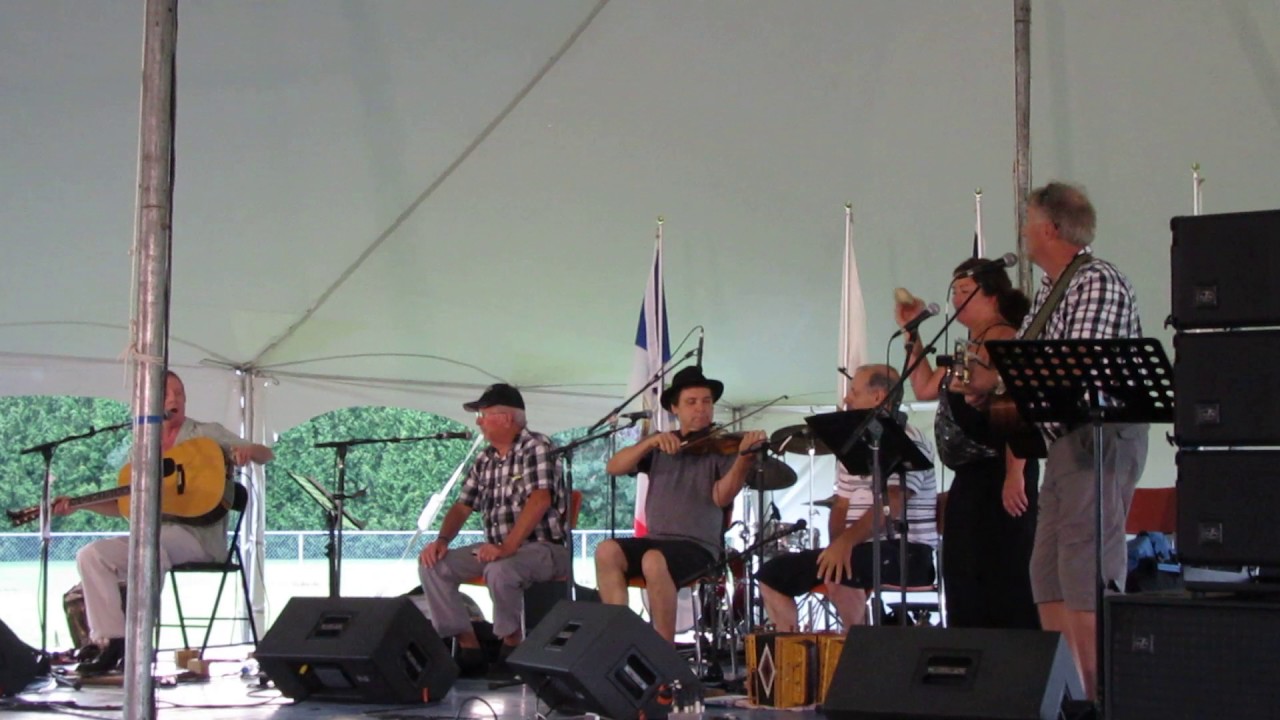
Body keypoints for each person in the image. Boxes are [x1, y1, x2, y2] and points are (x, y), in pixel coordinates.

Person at [1015, 181, 1147, 700]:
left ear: (1050, 227)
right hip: (1062, 441)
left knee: (1084, 560)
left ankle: (1099, 696)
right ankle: (1067, 693)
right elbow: (1029, 359)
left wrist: (1013, 378)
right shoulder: (1053, 287)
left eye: (1028, 220)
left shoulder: (1096, 281)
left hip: (1098, 434)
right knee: (1046, 569)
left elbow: (1070, 366)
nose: (1024, 231)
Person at [54, 370, 274, 675]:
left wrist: (249, 451)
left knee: (148, 549)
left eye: (179, 393)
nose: (174, 399)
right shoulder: (143, 448)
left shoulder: (205, 434)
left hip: (198, 539)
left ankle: (141, 645)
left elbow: (267, 453)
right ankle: (113, 641)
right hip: (156, 538)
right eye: (166, 393)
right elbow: (125, 505)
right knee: (91, 555)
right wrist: (80, 505)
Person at [898, 259, 1041, 630]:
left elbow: (1019, 409)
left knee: (1001, 572)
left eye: (965, 291)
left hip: (1001, 468)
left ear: (992, 295)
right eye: (955, 292)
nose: (957, 300)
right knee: (963, 571)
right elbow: (926, 387)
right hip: (969, 474)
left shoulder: (1005, 339)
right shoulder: (970, 344)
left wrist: (1016, 473)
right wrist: (912, 335)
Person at [756, 364, 937, 631]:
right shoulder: (851, 444)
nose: (846, 399)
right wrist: (837, 545)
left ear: (878, 397)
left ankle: (860, 650)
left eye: (853, 391)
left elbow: (895, 502)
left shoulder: (910, 441)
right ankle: (792, 657)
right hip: (859, 548)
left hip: (908, 550)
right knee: (771, 575)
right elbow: (841, 504)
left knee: (840, 570)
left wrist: (845, 545)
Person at [595, 366, 766, 643]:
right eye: (692, 402)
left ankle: (663, 651)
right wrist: (648, 443)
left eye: (706, 401)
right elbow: (613, 467)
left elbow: (722, 497)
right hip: (656, 540)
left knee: (653, 560)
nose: (701, 409)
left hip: (698, 547)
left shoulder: (723, 447)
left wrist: (744, 459)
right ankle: (618, 640)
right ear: (675, 408)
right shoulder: (662, 446)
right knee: (606, 551)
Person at [417, 383, 569, 675]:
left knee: (500, 570)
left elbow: (540, 498)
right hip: (498, 549)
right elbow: (463, 506)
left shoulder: (537, 446)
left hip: (544, 549)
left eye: (483, 414)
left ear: (507, 418)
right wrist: (442, 540)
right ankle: (469, 645)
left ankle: (511, 643)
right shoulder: (485, 459)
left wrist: (507, 547)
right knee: (432, 565)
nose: (478, 422)